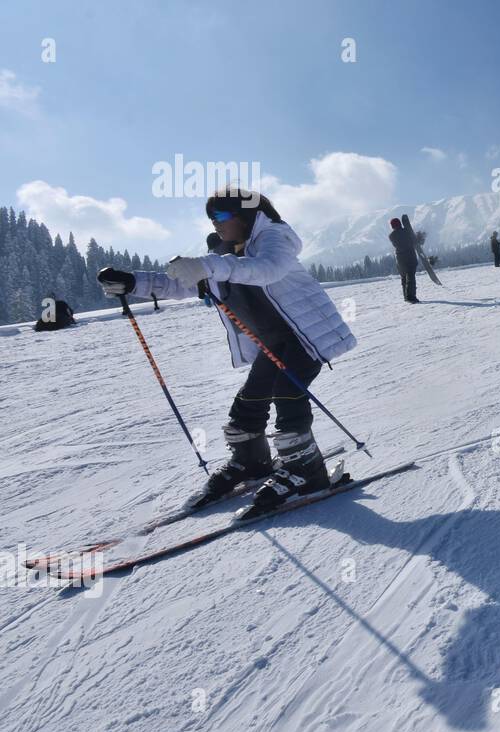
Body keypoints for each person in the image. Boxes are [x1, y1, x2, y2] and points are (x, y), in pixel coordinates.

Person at [96, 186, 356, 511]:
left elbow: (266, 270)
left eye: (220, 215)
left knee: (287, 395)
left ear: (245, 214)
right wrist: (133, 283)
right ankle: (252, 460)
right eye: (210, 217)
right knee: (249, 401)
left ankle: (307, 470)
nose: (214, 223)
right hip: (272, 343)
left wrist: (210, 266)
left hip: (305, 336)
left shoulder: (275, 237)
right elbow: (182, 283)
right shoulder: (222, 254)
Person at [388, 218, 419, 303]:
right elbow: (413, 241)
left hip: (400, 259)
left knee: (404, 278)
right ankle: (411, 297)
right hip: (410, 257)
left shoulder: (391, 236)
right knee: (411, 277)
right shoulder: (407, 231)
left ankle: (406, 297)